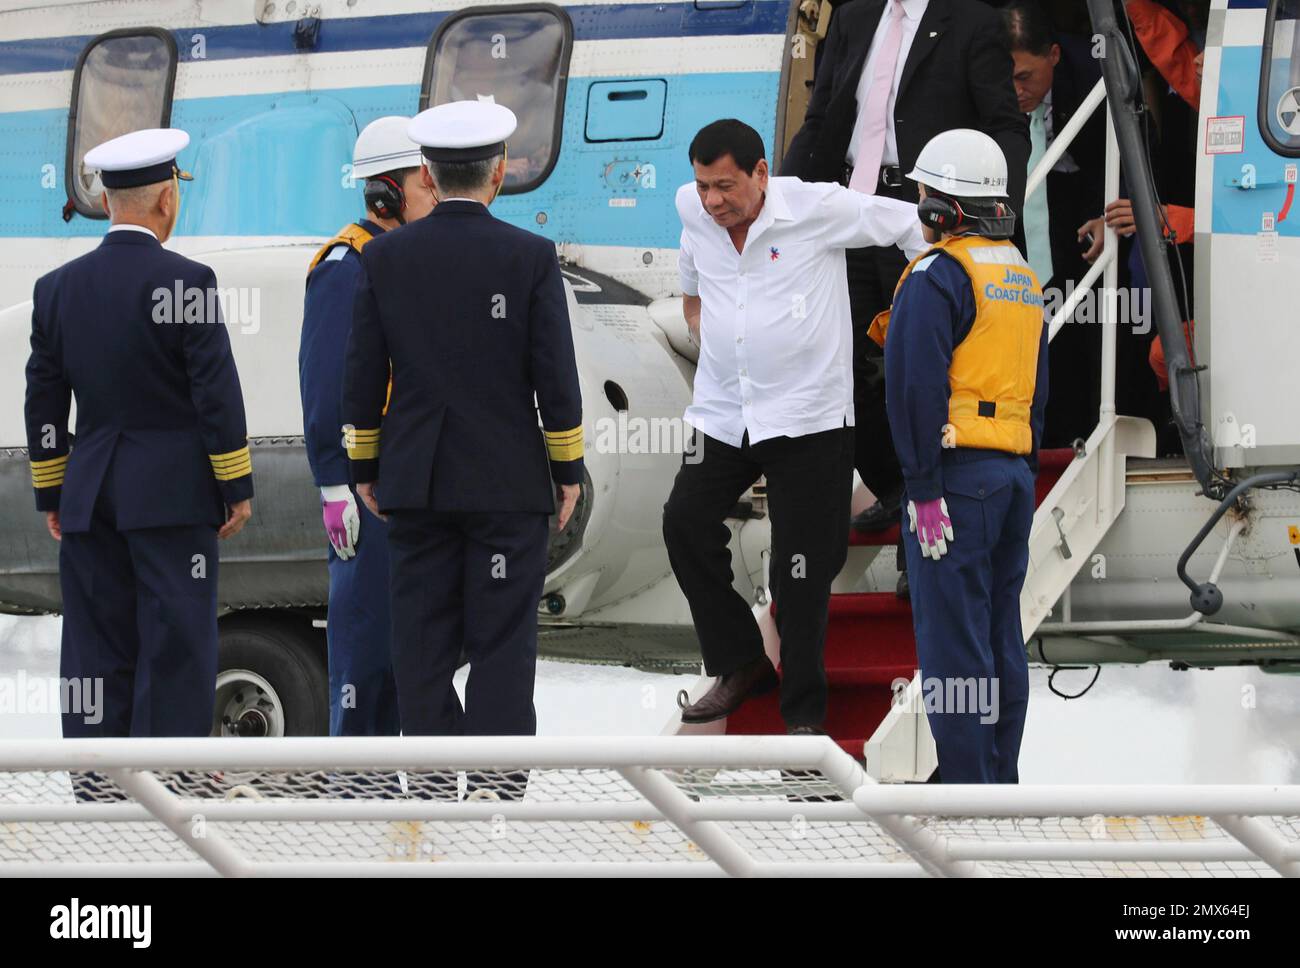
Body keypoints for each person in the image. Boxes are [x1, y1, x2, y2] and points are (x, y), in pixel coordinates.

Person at [341, 101, 583, 775]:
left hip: (416, 483)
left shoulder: (383, 257)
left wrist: (365, 465)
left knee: (420, 642)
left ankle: (431, 783)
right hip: (508, 484)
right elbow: (555, 379)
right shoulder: (530, 257)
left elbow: (361, 375)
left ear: (427, 171)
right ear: (499, 173)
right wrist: (567, 470)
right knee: (503, 643)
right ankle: (494, 795)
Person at [665, 119, 924, 733]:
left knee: (800, 571)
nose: (713, 201)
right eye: (703, 186)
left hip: (809, 418)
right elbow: (691, 280)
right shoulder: (692, 208)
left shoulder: (816, 206)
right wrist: (705, 321)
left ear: (761, 174)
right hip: (726, 413)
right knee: (684, 525)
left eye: (725, 185)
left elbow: (910, 225)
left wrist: (929, 298)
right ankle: (739, 662)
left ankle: (803, 718)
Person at [25, 127, 253, 738]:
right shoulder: (189, 283)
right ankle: (166, 786)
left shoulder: (56, 291)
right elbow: (215, 392)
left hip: (91, 497)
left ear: (106, 201)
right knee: (175, 646)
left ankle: (97, 784)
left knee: (93, 650)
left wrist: (53, 494)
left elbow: (44, 405)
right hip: (173, 499)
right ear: (166, 200)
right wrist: (235, 483)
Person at [781, 0, 1029, 548]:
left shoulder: (972, 21)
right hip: (850, 213)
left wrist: (992, 216)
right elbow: (821, 121)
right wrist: (778, 203)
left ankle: (928, 522)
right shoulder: (853, 18)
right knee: (840, 360)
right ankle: (895, 488)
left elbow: (1006, 127)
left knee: (924, 372)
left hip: (928, 218)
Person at [868, 129, 1048, 782]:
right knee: (1001, 634)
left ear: (938, 205)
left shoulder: (937, 276)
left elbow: (914, 387)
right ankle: (998, 777)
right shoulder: (1021, 279)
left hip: (953, 482)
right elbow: (1039, 389)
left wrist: (920, 489)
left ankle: (966, 788)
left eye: (921, 193)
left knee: (952, 645)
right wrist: (1021, 471)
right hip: (1011, 478)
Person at [299, 116, 435, 737]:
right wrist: (334, 483)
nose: (434, 188)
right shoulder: (345, 267)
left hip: (405, 485)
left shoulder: (399, 259)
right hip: (363, 488)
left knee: (407, 653)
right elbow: (325, 383)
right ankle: (353, 791)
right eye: (422, 179)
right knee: (364, 652)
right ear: (387, 193)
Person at [1002, 0, 1106, 448]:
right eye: (1008, 78)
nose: (1016, 90)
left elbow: (1127, 146)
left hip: (1078, 200)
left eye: (1025, 77)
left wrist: (1109, 211)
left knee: (1081, 319)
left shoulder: (1091, 73)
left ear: (1055, 57)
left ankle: (1077, 431)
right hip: (1015, 206)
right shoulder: (989, 85)